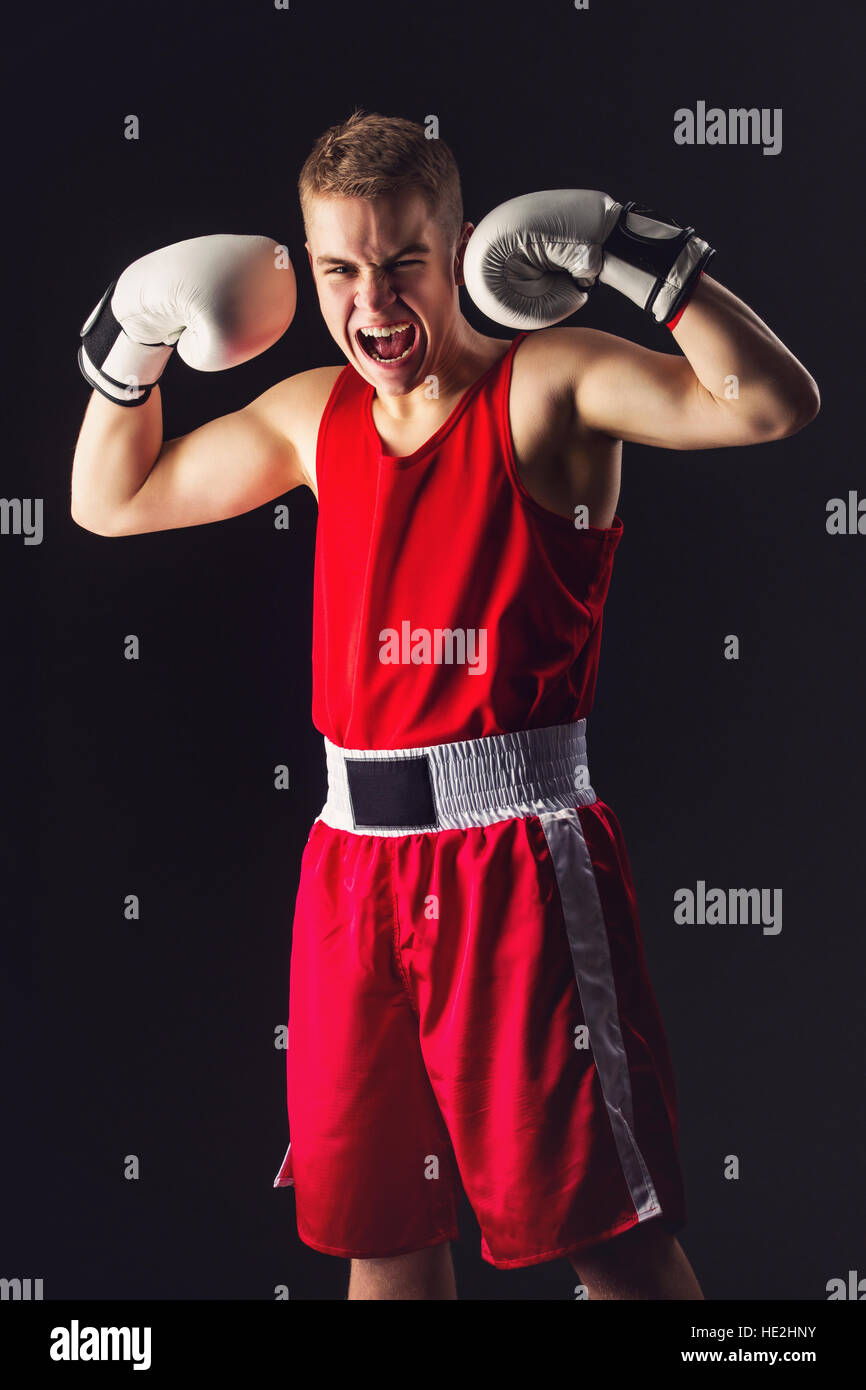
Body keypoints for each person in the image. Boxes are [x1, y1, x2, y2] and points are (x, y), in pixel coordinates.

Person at [71, 109, 820, 1301]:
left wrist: (644, 262)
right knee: (385, 1234)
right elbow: (112, 501)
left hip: (516, 863)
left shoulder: (548, 382)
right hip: (350, 869)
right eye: (338, 268)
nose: (372, 298)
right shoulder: (313, 415)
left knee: (606, 1235)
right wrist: (131, 338)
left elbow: (771, 404)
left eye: (402, 259)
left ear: (464, 247)